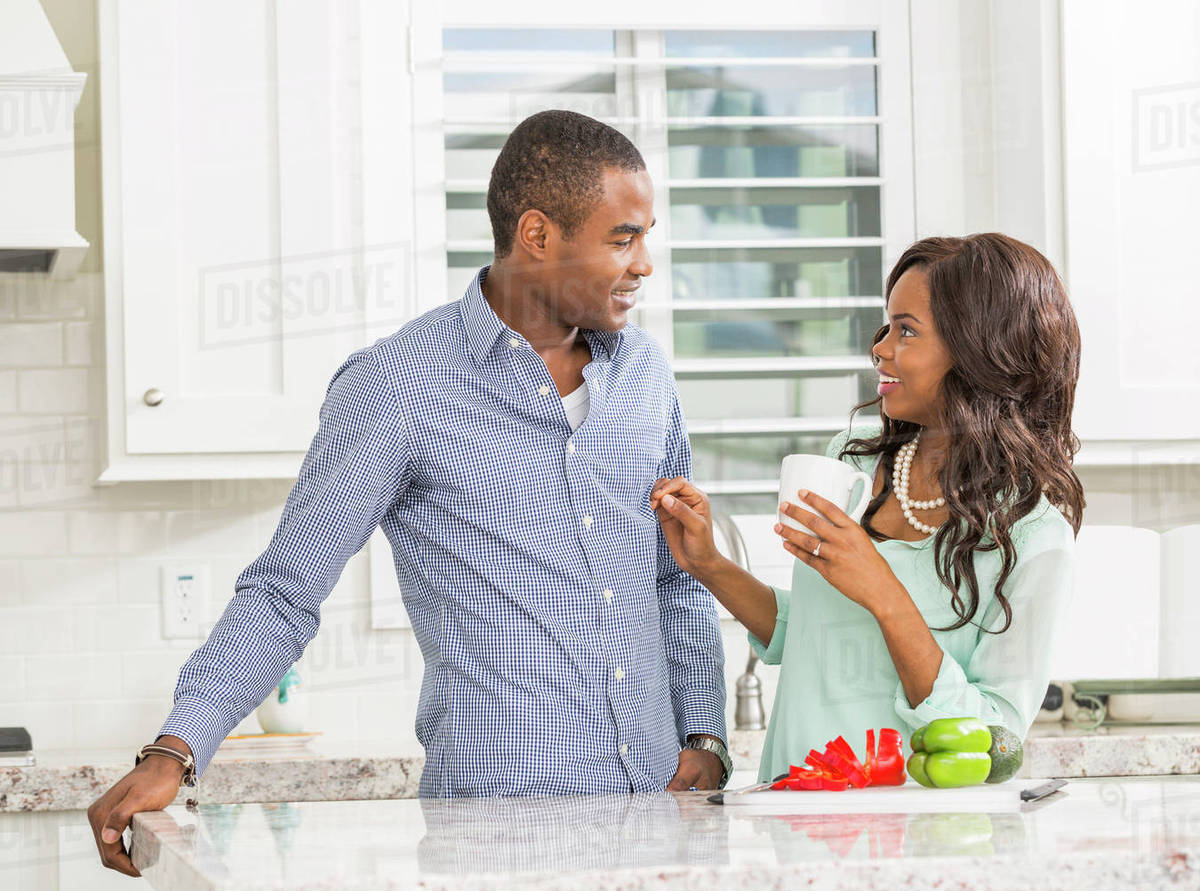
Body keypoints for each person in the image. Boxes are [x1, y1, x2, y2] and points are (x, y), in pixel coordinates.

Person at [88, 110, 728, 877]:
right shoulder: (397, 387)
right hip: (499, 848)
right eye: (623, 237)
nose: (645, 263)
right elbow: (286, 591)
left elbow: (676, 577)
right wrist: (176, 747)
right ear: (537, 234)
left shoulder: (646, 377)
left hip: (658, 831)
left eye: (645, 235)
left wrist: (706, 735)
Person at [650, 233, 1084, 782]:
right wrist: (708, 564)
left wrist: (882, 590)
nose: (880, 347)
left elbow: (994, 743)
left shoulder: (1032, 536)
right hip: (795, 807)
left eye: (907, 330)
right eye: (888, 326)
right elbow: (812, 631)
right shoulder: (851, 464)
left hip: (915, 836)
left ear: (979, 351)